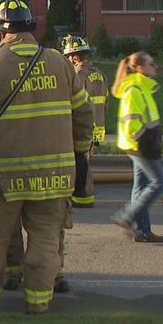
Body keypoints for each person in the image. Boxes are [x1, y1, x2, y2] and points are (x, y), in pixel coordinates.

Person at [0, 0, 93, 315]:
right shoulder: (61, 64)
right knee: (46, 238)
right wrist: (79, 153)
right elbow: (85, 114)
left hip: (2, 179)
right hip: (55, 176)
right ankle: (37, 304)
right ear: (29, 28)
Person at [109, 51, 163, 243]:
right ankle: (127, 217)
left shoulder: (142, 87)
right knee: (159, 183)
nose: (155, 66)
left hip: (142, 144)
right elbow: (131, 122)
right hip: (140, 146)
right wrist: (144, 140)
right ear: (140, 68)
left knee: (140, 186)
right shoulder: (134, 89)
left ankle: (143, 232)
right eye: (151, 64)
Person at [62, 34, 107, 208]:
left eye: (68, 57)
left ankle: (83, 196)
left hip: (83, 125)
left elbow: (74, 102)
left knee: (81, 162)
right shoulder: (100, 74)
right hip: (98, 126)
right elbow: (106, 101)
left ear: (74, 57)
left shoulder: (77, 75)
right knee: (86, 160)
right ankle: (83, 194)